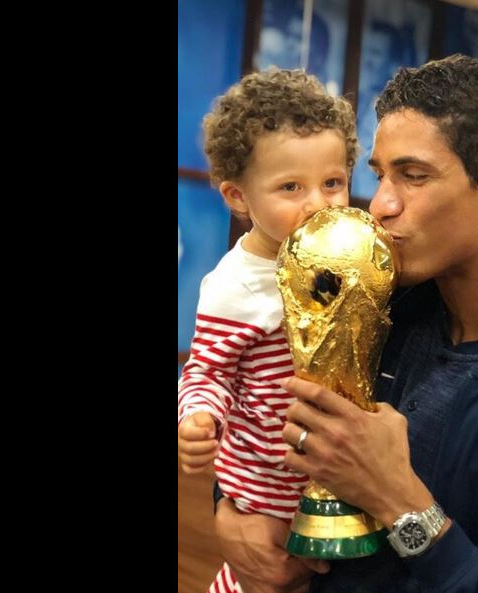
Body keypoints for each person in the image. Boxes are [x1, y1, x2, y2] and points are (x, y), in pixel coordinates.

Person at [214, 54, 478, 593]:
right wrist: (230, 514)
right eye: (377, 176)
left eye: (413, 176)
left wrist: (399, 500)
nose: (383, 204)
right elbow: (256, 402)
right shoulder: (366, 302)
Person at [177, 67, 358, 593]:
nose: (319, 204)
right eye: (290, 187)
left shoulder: (346, 255)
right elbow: (207, 370)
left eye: (333, 183)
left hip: (331, 483)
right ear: (238, 197)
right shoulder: (234, 286)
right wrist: (199, 418)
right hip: (264, 492)